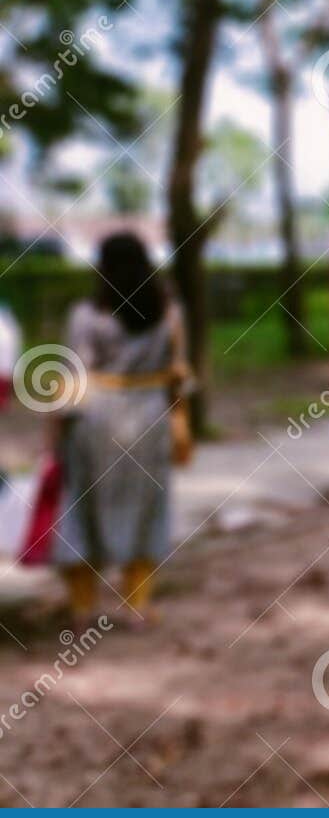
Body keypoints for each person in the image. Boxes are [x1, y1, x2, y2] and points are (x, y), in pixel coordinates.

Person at [53, 232, 190, 631]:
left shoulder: (85, 314)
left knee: (82, 506)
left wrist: (55, 431)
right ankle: (137, 607)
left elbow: (73, 376)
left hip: (94, 417)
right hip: (149, 416)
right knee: (147, 508)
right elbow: (178, 374)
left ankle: (82, 609)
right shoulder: (170, 312)